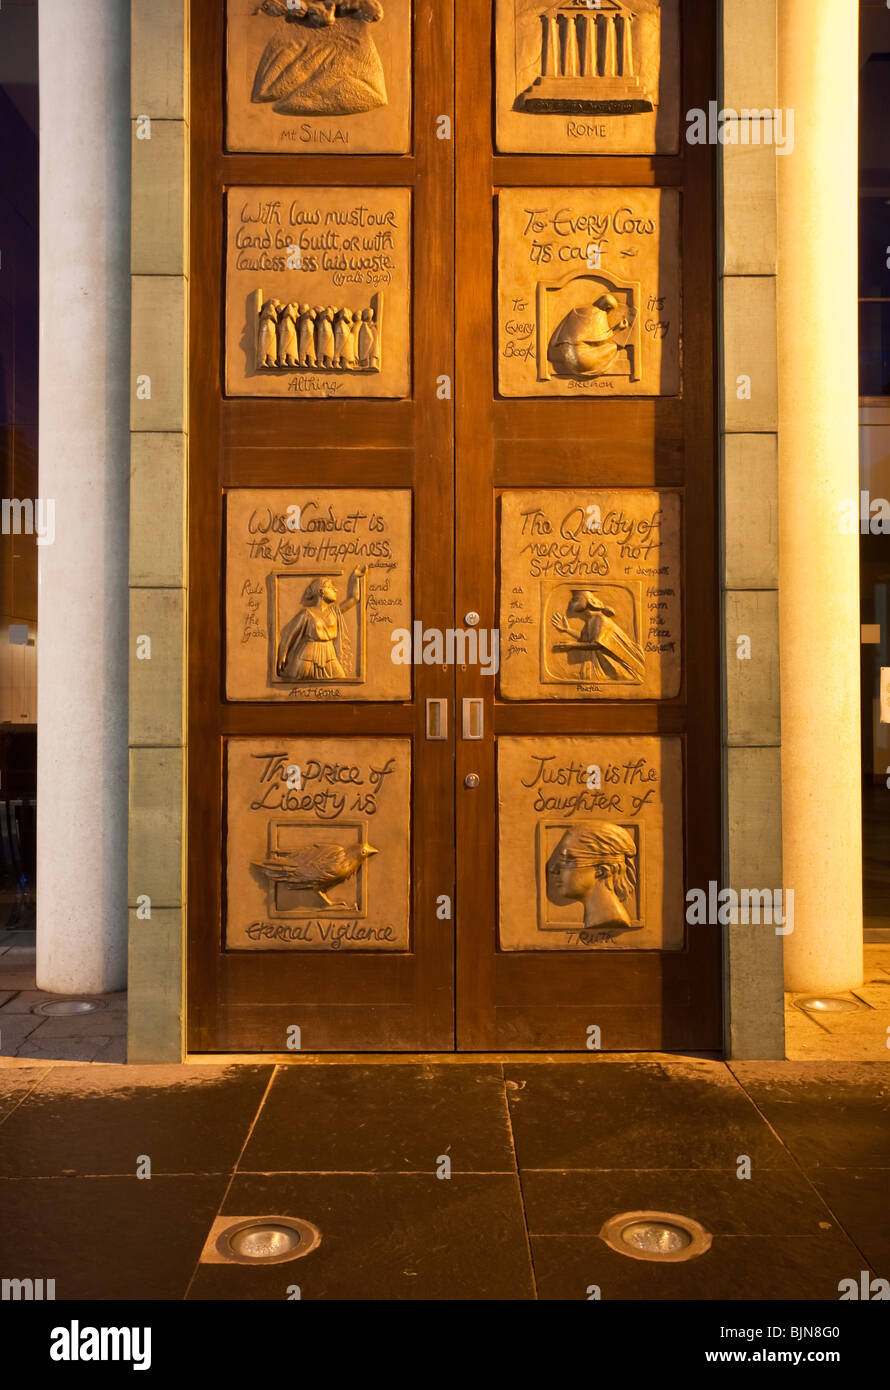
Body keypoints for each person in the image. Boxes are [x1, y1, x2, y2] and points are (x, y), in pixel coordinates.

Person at [545, 822, 640, 940]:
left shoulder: (608, 919)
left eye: (567, 860)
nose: (553, 869)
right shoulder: (594, 918)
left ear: (601, 870)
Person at [276, 567, 366, 681]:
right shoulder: (307, 613)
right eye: (331, 587)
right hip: (307, 655)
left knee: (341, 678)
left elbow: (354, 599)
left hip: (329, 654)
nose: (335, 590)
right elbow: (290, 634)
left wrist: (355, 578)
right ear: (321, 591)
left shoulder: (334, 611)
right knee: (296, 681)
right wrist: (283, 654)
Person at [551, 589, 645, 683]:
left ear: (590, 601)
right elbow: (585, 640)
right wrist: (567, 630)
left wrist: (572, 645)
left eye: (575, 599)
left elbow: (596, 644)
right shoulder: (591, 620)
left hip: (613, 666)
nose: (570, 602)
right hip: (601, 665)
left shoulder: (600, 618)